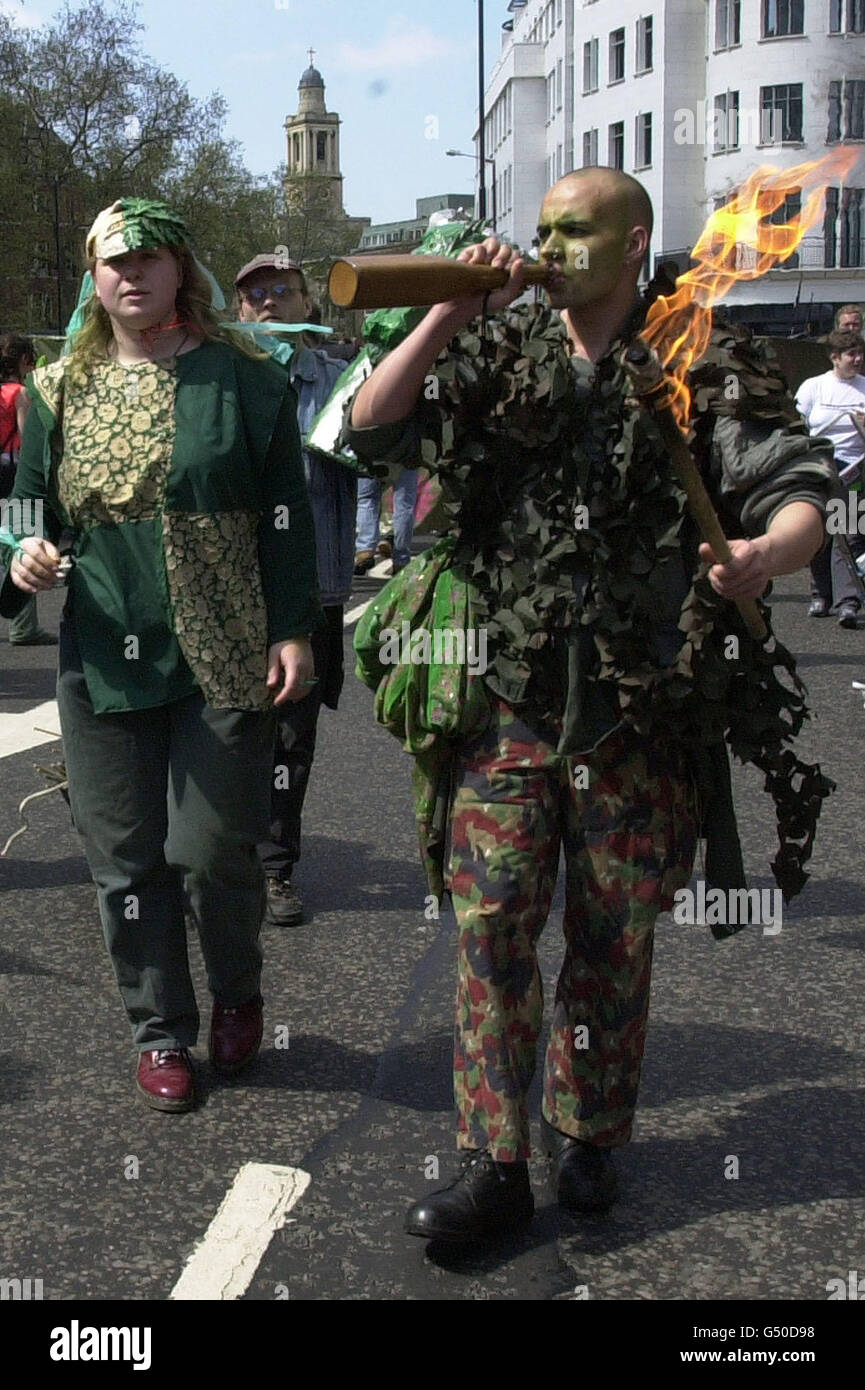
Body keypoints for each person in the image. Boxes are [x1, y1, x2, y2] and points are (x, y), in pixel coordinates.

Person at [344, 168, 835, 1243]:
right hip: (508, 703)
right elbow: (372, 431)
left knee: (613, 935)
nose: (552, 246)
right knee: (492, 928)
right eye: (544, 229)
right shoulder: (496, 350)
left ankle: (590, 1133)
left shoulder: (693, 350)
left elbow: (795, 482)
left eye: (577, 230)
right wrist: (446, 311)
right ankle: (491, 1160)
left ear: (633, 241)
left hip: (636, 710)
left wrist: (766, 552)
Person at [0, 199, 319, 1112]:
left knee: (214, 847)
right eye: (113, 263)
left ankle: (238, 993)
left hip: (223, 642)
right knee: (124, 857)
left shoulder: (244, 378)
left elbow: (285, 514)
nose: (131, 275)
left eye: (149, 258)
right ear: (93, 280)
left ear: (182, 269)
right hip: (102, 651)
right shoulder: (56, 388)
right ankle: (160, 1031)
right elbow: (26, 505)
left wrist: (292, 625)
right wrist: (19, 551)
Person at [235, 253, 355, 926]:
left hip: (310, 593)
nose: (269, 304)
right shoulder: (218, 382)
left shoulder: (340, 383)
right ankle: (222, 859)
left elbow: (378, 458)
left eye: (283, 292)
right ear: (237, 311)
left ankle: (276, 870)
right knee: (219, 732)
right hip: (226, 593)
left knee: (289, 740)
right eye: (254, 295)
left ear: (308, 305)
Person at [796, 329, 865, 626]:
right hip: (820, 469)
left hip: (855, 469)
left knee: (849, 534)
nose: (858, 359)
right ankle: (820, 594)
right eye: (851, 354)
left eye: (860, 353)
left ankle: (848, 601)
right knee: (820, 534)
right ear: (834, 358)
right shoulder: (814, 387)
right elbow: (797, 427)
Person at [0, 333, 56, 646]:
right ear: (23, 362)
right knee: (23, 545)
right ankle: (23, 626)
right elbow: (27, 436)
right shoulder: (19, 393)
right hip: (14, 477)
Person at [354, 469, 419, 575]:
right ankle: (401, 559)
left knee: (367, 500)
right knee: (404, 506)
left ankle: (365, 549)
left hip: (370, 456)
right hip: (406, 456)